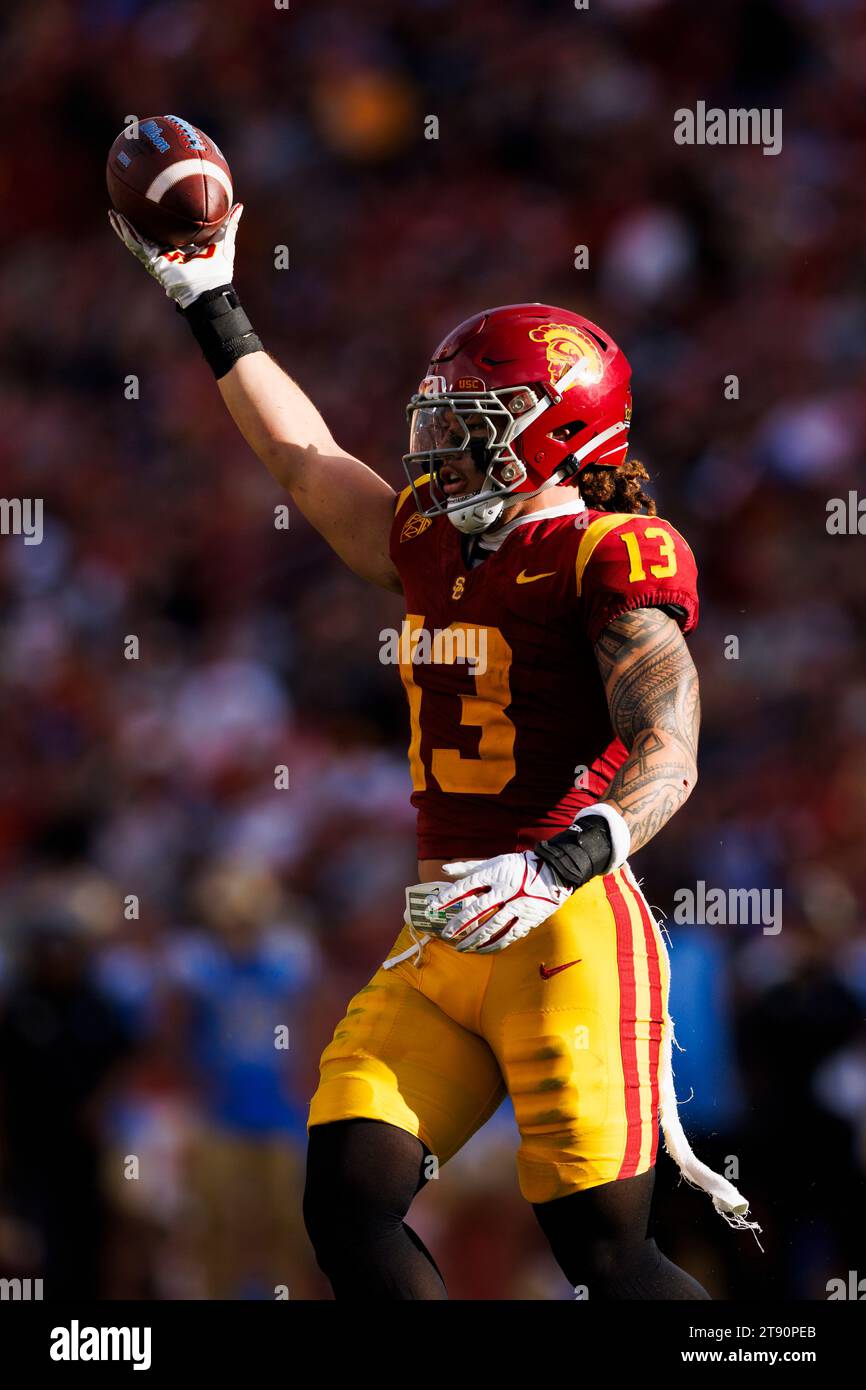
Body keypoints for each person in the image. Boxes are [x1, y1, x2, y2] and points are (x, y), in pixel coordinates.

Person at [110, 203, 757, 1300]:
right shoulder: (429, 539)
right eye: (441, 419)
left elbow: (670, 744)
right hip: (442, 923)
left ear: (557, 429)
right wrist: (208, 299)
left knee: (602, 1251)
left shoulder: (609, 548)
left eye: (473, 422)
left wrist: (561, 858)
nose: (439, 445)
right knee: (344, 1198)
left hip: (562, 923)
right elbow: (303, 457)